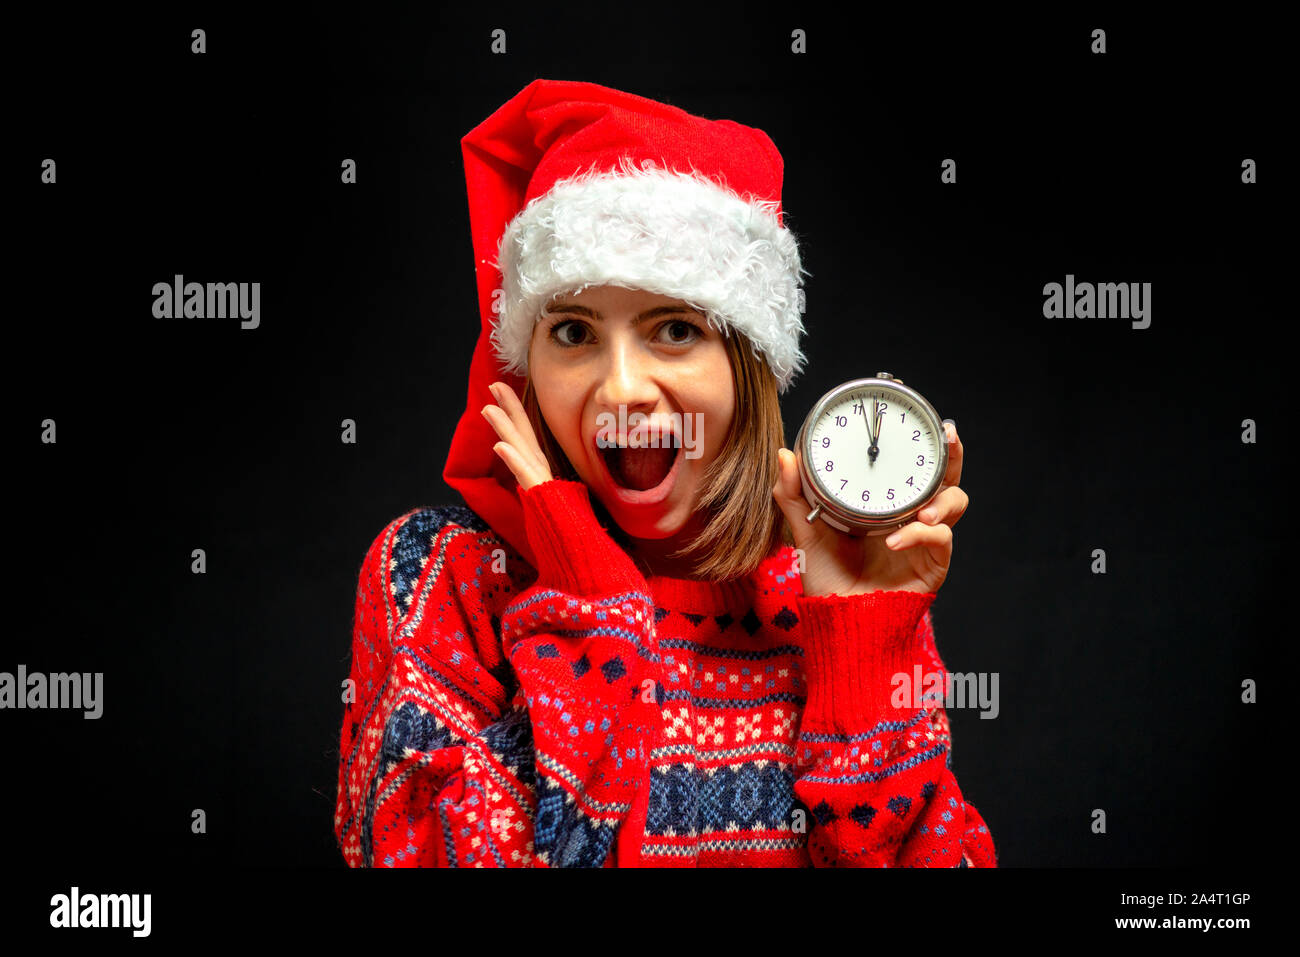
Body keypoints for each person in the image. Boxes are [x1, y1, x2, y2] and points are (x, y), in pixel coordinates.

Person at [333, 78, 996, 867]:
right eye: (574, 331)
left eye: (674, 328)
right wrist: (591, 605)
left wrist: (860, 649)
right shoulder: (440, 579)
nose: (619, 387)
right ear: (524, 363)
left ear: (746, 362)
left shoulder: (839, 588)